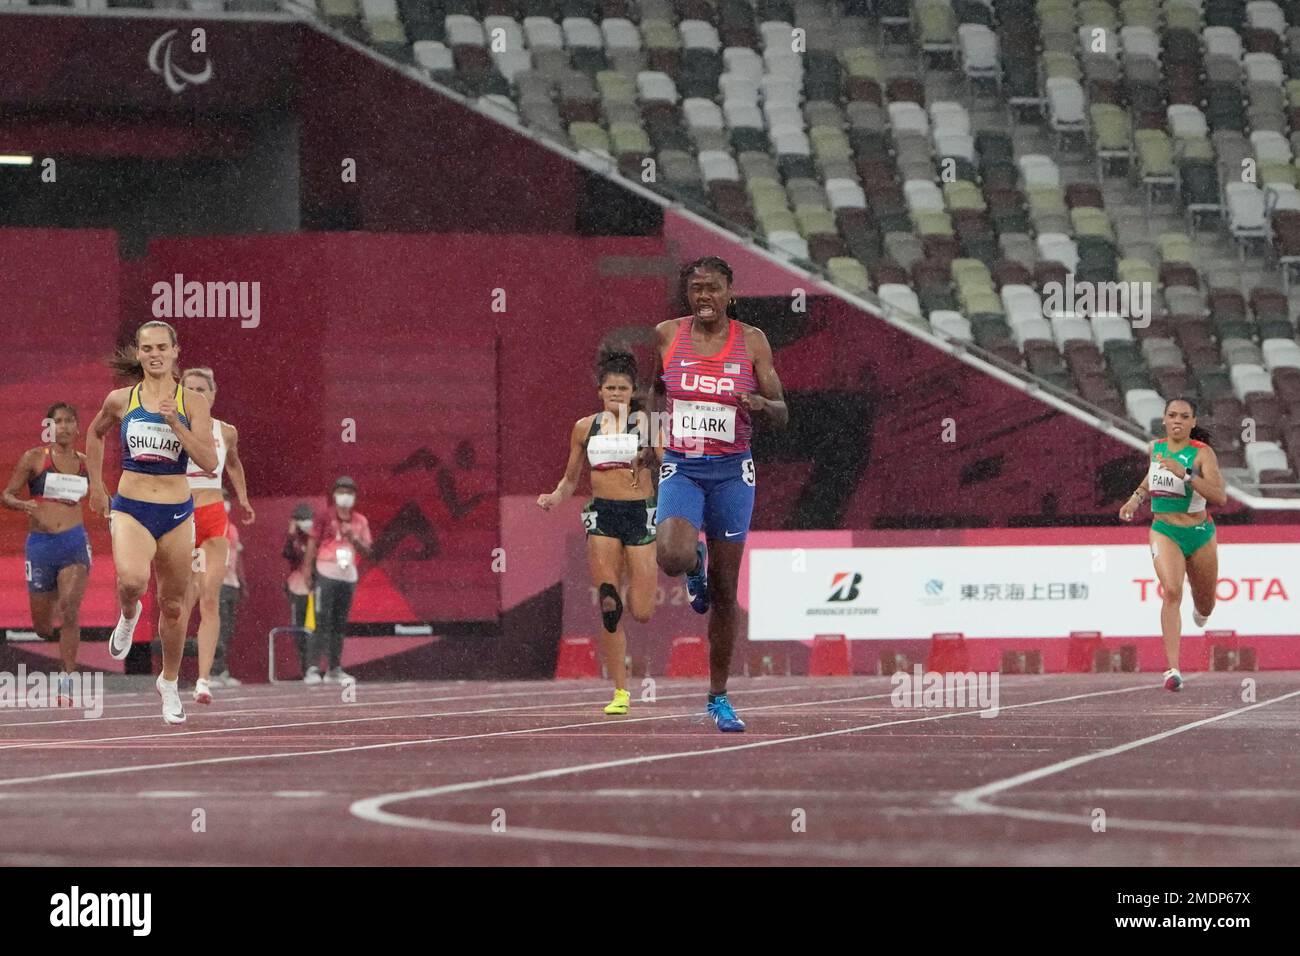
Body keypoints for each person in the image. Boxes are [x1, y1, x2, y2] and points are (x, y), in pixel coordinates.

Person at [649, 256, 787, 732]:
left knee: (726, 592)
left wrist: (760, 403)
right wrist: (652, 437)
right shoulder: (667, 334)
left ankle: (719, 696)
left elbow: (783, 412)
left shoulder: (752, 341)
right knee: (670, 555)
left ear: (730, 291)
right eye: (695, 289)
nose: (703, 296)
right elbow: (655, 388)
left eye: (712, 288)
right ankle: (693, 565)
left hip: (732, 472)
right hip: (682, 466)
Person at [85, 320, 216, 725]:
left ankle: (170, 682)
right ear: (139, 353)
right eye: (147, 348)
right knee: (131, 581)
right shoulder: (120, 399)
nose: (155, 354)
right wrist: (96, 486)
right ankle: (128, 615)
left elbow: (209, 462)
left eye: (162, 347)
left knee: (175, 606)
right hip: (131, 508)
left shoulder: (192, 402)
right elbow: (94, 433)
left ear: (176, 352)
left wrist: (176, 423)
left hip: (176, 513)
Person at [538, 349, 658, 715]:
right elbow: (572, 478)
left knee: (641, 611)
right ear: (600, 391)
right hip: (603, 515)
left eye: (623, 388)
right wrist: (555, 497)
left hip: (640, 514)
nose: (617, 394)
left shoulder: (646, 423)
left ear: (633, 390)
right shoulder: (584, 427)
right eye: (610, 388)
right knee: (609, 604)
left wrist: (647, 457)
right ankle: (621, 692)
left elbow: (666, 462)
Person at [1119, 397, 1228, 691]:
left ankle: (1201, 612)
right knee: (1171, 590)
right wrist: (1136, 498)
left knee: (1205, 605)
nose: (1177, 420)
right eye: (1172, 415)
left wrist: (1188, 475)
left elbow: (1219, 497)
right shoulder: (1155, 448)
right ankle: (1172, 670)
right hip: (1164, 529)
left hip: (1200, 532)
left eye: (1184, 416)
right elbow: (1152, 477)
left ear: (1193, 422)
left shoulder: (1203, 454)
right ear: (1164, 420)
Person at [1, 403, 91, 706]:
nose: (64, 427)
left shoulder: (86, 463)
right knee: (42, 627)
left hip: (74, 543)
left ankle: (67, 679)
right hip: (40, 546)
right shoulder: (35, 458)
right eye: (58, 421)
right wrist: (23, 505)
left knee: (69, 607)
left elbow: (101, 496)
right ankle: (49, 615)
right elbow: (7, 494)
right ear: (49, 426)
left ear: (78, 427)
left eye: (69, 421)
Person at [177, 367, 254, 704]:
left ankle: (204, 680)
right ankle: (170, 675)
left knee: (211, 597)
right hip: (179, 517)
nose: (196, 394)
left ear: (212, 394)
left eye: (201, 389)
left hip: (212, 517)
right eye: (188, 389)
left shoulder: (227, 432)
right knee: (182, 601)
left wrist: (243, 498)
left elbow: (234, 464)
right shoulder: (170, 428)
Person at [304, 476, 371, 686]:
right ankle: (313, 667)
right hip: (326, 571)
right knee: (322, 619)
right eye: (341, 492)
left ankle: (334, 668)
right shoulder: (324, 516)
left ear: (355, 496)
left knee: (339, 623)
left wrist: (354, 538)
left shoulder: (360, 521)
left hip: (347, 574)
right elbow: (313, 543)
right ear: (334, 494)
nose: (345, 496)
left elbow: (368, 551)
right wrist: (308, 570)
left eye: (349, 493)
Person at [211, 488, 246, 687]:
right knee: (217, 628)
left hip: (232, 582)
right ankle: (212, 672)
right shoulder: (210, 526)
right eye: (220, 500)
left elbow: (237, 557)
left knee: (227, 629)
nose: (225, 504)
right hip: (217, 583)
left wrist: (242, 581)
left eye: (227, 500)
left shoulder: (232, 528)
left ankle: (222, 670)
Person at [283, 502, 315, 676]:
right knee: (299, 630)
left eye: (308, 519)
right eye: (302, 520)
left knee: (315, 630)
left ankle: (313, 667)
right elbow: (287, 554)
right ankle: (305, 667)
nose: (306, 523)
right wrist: (291, 533)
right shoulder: (294, 540)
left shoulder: (318, 538)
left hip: (316, 589)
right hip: (297, 589)